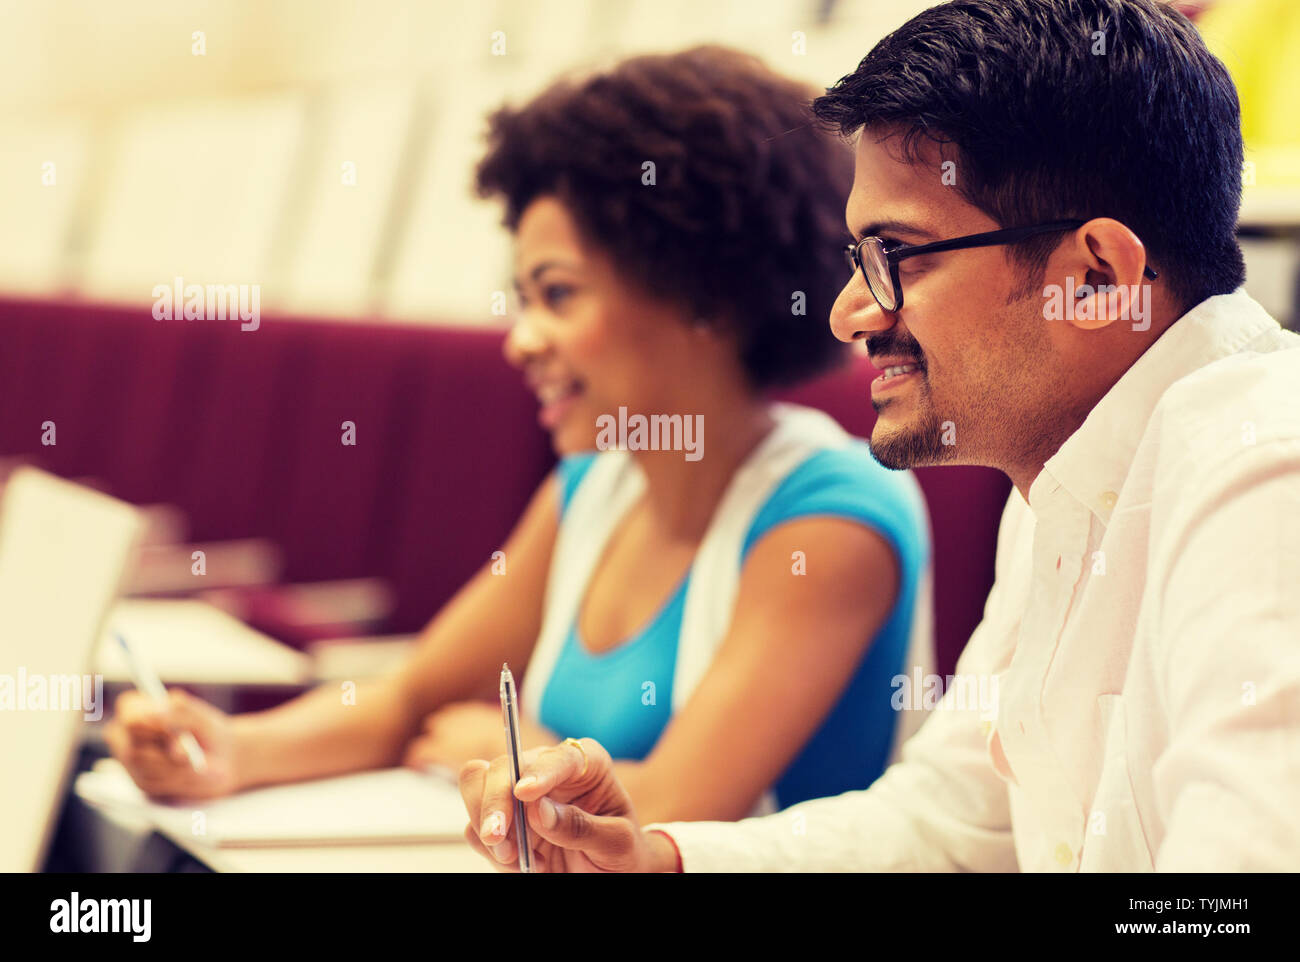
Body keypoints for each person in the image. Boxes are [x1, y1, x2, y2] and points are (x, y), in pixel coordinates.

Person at [457, 0, 1300, 872]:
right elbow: (950, 824)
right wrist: (658, 859)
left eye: (897, 255)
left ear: (1094, 280)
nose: (850, 312)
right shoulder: (1063, 471)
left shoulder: (1267, 478)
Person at [104, 46, 933, 826]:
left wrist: (508, 751)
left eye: (558, 295)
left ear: (702, 299)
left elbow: (680, 807)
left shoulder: (834, 517)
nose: (521, 340)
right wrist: (228, 752)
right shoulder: (593, 488)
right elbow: (407, 703)